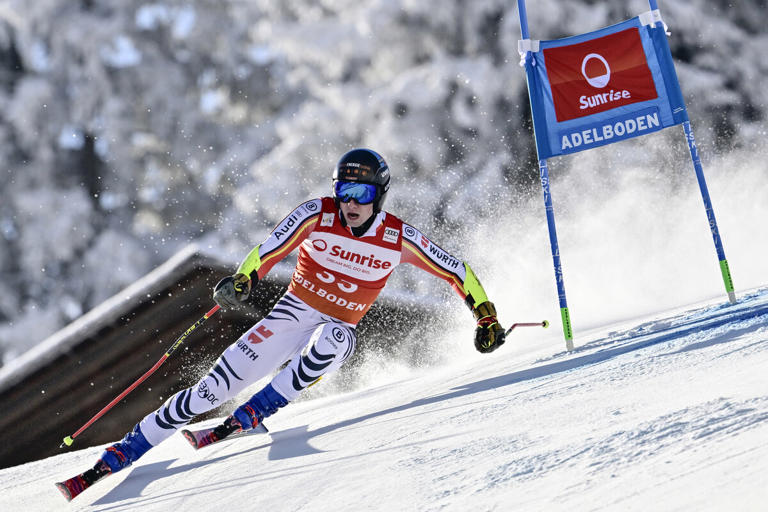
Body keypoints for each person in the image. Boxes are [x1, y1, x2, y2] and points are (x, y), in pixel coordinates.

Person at [60, 148, 506, 496]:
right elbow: (268, 249)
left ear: (380, 195)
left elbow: (458, 272)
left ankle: (260, 409)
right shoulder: (317, 214)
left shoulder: (397, 237)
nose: (350, 203)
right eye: (344, 192)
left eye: (362, 194)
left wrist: (485, 317)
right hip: (290, 316)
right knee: (208, 393)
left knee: (332, 339)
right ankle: (122, 452)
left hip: (337, 329)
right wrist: (244, 279)